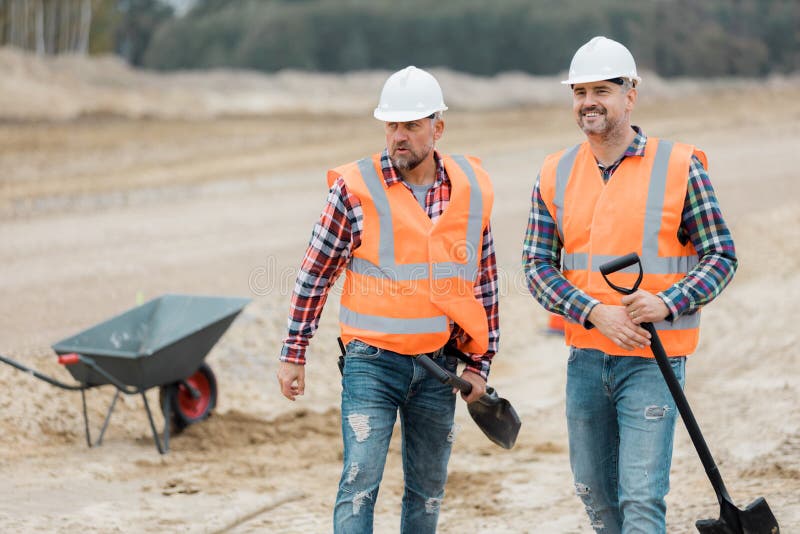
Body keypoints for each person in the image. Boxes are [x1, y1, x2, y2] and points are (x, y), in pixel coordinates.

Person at [522, 36, 737, 533]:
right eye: (580, 92)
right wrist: (593, 312)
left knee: (641, 497)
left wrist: (667, 302)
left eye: (602, 90)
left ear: (630, 95)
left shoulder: (679, 166)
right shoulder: (555, 171)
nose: (588, 102)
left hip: (653, 360)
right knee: (596, 496)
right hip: (585, 358)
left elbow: (721, 254)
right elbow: (535, 265)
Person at [277, 65, 499, 534]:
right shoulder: (355, 190)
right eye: (392, 125)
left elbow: (483, 282)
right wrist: (294, 353)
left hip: (439, 366)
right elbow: (315, 274)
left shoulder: (469, 189)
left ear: (437, 128)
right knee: (358, 484)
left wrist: (480, 363)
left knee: (427, 492)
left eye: (412, 125)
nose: (399, 136)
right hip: (371, 364)